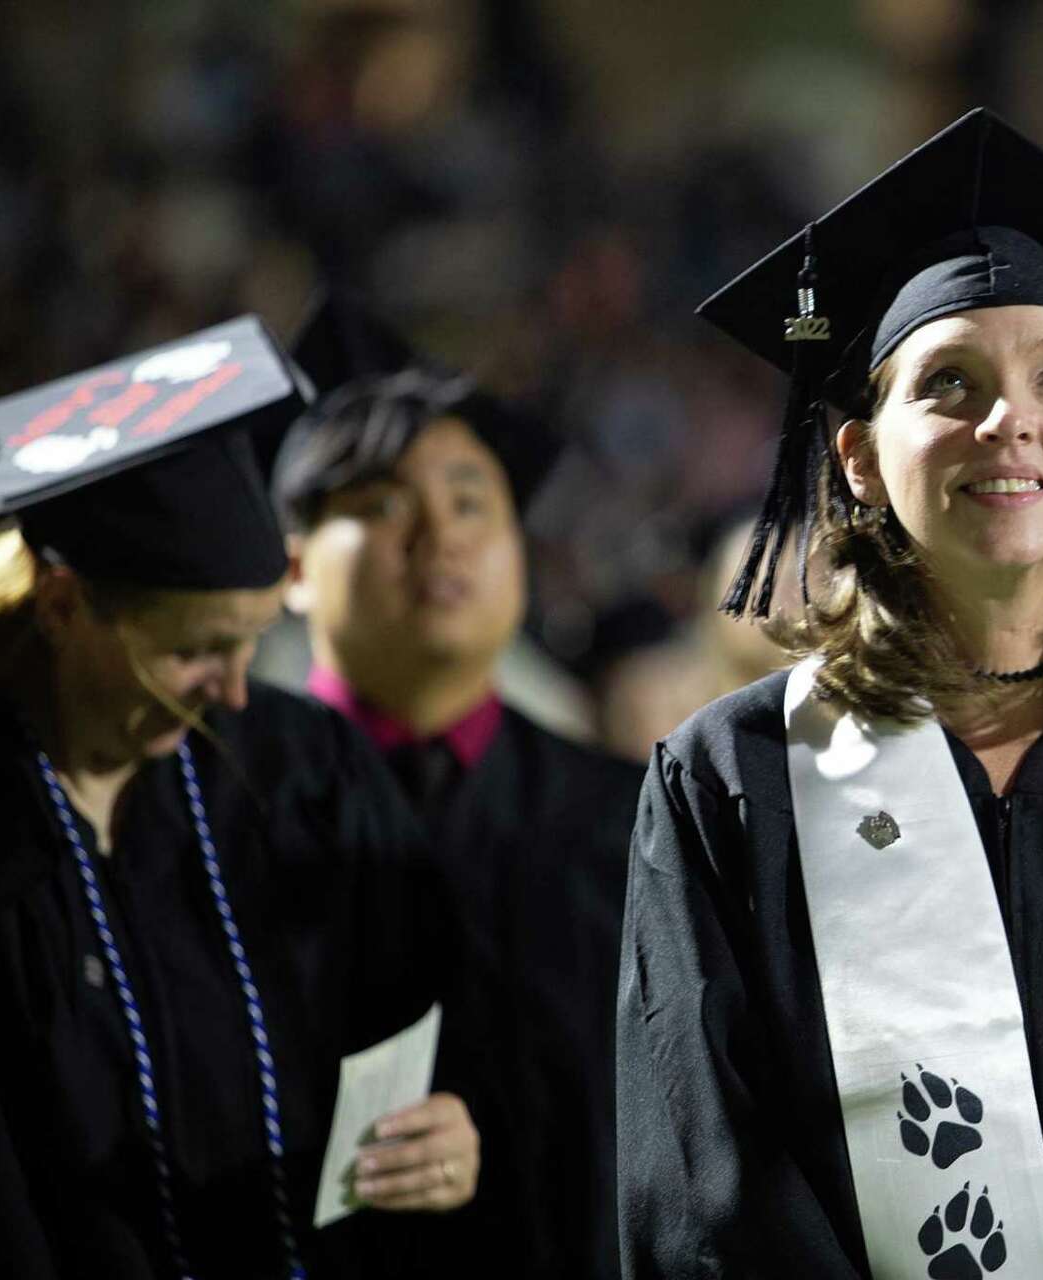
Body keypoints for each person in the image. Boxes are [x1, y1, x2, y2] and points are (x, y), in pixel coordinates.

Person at [616, 109, 1043, 1278]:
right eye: (949, 382)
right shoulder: (736, 779)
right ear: (859, 459)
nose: (1011, 420)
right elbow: (707, 1187)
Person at [0, 318, 481, 1279]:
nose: (235, 689)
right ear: (65, 606)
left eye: (248, 642)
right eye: (195, 649)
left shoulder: (301, 766)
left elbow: (435, 1009)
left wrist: (455, 1120)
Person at [272, 291, 643, 1279]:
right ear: (294, 563)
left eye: (474, 500)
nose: (442, 534)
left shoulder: (633, 819)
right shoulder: (216, 804)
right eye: (384, 503)